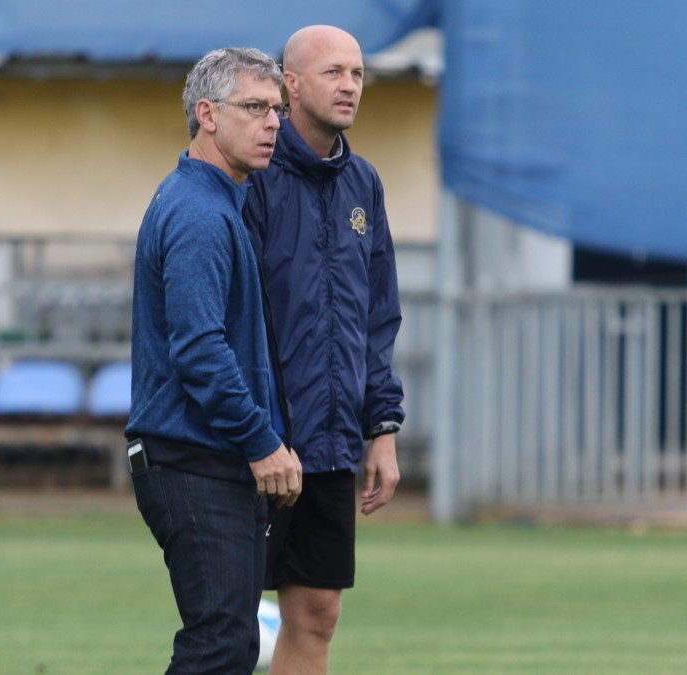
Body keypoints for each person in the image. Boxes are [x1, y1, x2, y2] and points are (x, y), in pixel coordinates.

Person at [125, 46, 302, 674]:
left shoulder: (221, 199)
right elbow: (198, 349)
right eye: (253, 108)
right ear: (206, 113)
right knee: (220, 644)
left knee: (228, 642)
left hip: (207, 458)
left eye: (277, 110)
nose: (272, 124)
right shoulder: (199, 211)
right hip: (191, 459)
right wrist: (261, 440)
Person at [243, 25, 405, 674]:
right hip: (255, 441)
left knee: (317, 615)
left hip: (333, 443)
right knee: (225, 623)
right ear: (290, 84)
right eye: (333, 72)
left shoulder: (363, 183)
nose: (349, 85)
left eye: (358, 73)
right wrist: (254, 432)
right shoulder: (248, 174)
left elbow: (378, 317)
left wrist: (382, 429)